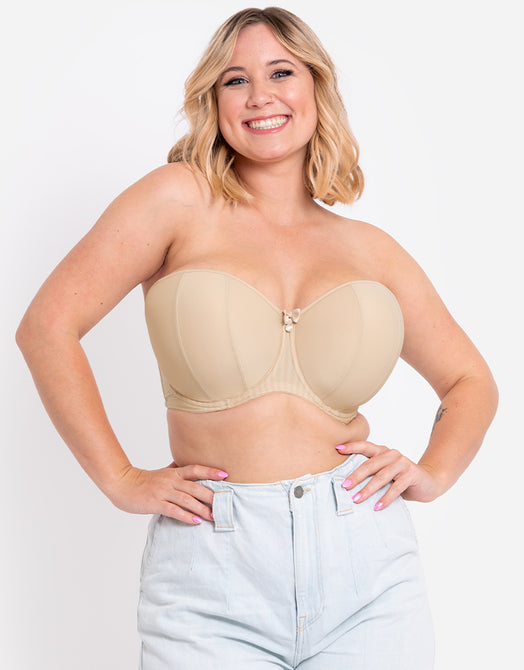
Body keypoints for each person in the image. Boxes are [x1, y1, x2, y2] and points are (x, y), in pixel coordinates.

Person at [16, 6, 497, 670]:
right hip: (213, 565)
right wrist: (120, 478)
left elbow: (470, 381)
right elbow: (47, 327)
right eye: (235, 80)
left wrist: (434, 471)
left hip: (367, 566)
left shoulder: (370, 250)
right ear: (213, 101)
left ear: (316, 87)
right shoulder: (176, 201)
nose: (260, 95)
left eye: (281, 72)